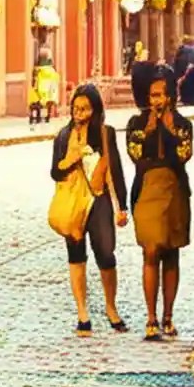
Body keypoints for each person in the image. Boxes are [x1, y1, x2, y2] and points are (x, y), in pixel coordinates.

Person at [50, 84, 130, 337]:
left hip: (99, 200)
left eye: (84, 109)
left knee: (106, 254)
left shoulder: (105, 134)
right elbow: (54, 172)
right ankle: (82, 313)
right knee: (76, 255)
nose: (79, 113)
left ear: (95, 110)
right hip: (73, 202)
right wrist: (71, 158)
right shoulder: (64, 137)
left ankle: (111, 307)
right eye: (75, 108)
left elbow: (115, 169)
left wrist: (123, 206)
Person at [127, 64, 194, 341]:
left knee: (172, 252)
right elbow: (136, 154)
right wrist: (153, 130)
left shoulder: (182, 125)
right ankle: (151, 316)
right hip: (147, 191)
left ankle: (168, 315)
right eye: (153, 95)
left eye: (162, 95)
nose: (157, 100)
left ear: (170, 96)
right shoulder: (136, 124)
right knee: (151, 249)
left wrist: (167, 130)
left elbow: (184, 154)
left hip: (175, 190)